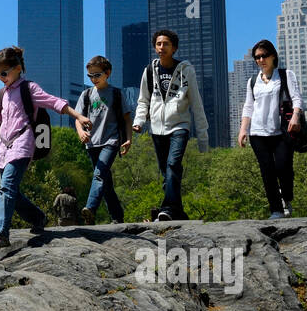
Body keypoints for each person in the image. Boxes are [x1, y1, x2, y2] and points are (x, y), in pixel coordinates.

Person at [0, 46, 91, 247]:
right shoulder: (2, 93)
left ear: (18, 68)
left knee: (7, 188)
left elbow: (54, 102)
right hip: (3, 148)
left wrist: (79, 116)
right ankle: (38, 218)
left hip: (22, 144)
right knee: (11, 191)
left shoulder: (29, 88)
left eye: (4, 72)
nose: (1, 77)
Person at [132, 29, 209, 221]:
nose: (161, 47)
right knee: (167, 173)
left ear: (174, 48)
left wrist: (203, 138)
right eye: (158, 44)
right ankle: (178, 212)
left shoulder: (186, 70)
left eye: (166, 44)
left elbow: (196, 103)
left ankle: (165, 209)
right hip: (157, 127)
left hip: (180, 125)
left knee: (173, 165)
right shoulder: (149, 71)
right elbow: (143, 100)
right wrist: (139, 121)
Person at [237, 39, 304, 219]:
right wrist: (243, 130)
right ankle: (276, 209)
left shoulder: (285, 75)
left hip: (281, 131)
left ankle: (286, 197)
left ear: (273, 56)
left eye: (264, 56)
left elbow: (297, 98)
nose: (261, 60)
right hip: (258, 133)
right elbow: (248, 107)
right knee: (267, 172)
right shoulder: (253, 81)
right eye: (257, 57)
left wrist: (296, 116)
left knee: (283, 167)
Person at [75, 56, 132, 224]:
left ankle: (90, 208)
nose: (93, 79)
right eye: (90, 76)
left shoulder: (116, 94)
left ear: (108, 73)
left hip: (111, 141)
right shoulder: (86, 95)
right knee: (105, 182)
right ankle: (117, 216)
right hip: (92, 143)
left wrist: (129, 139)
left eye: (97, 75)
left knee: (99, 174)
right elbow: (78, 118)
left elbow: (127, 118)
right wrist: (80, 132)